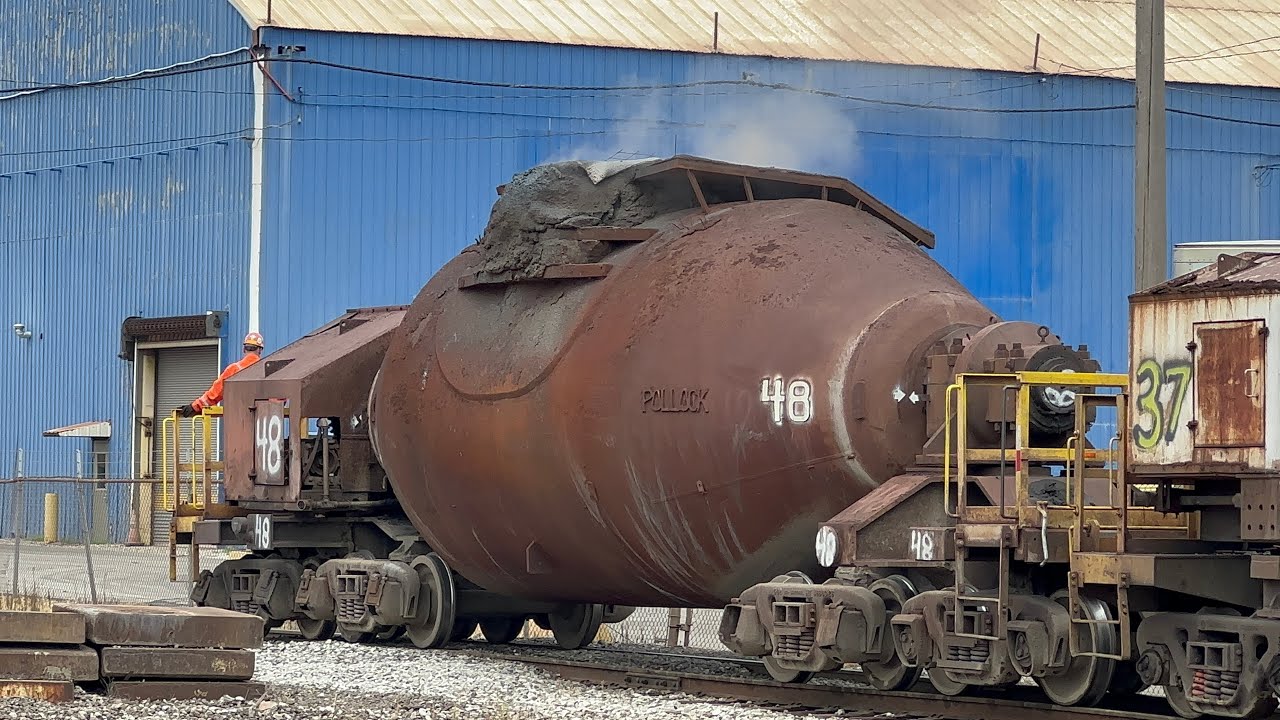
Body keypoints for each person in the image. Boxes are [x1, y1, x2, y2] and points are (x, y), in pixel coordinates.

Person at [176, 332, 264, 417]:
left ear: (244, 349)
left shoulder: (234, 369)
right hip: (264, 419)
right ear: (260, 350)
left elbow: (214, 394)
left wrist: (194, 407)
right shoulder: (267, 370)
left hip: (237, 418)